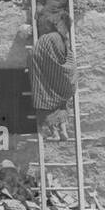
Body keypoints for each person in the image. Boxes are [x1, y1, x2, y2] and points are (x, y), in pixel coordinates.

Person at [31, 11, 76, 140]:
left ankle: (54, 133)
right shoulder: (63, 39)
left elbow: (37, 56)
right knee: (61, 104)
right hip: (62, 80)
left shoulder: (48, 38)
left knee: (44, 101)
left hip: (46, 80)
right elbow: (66, 59)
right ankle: (63, 130)